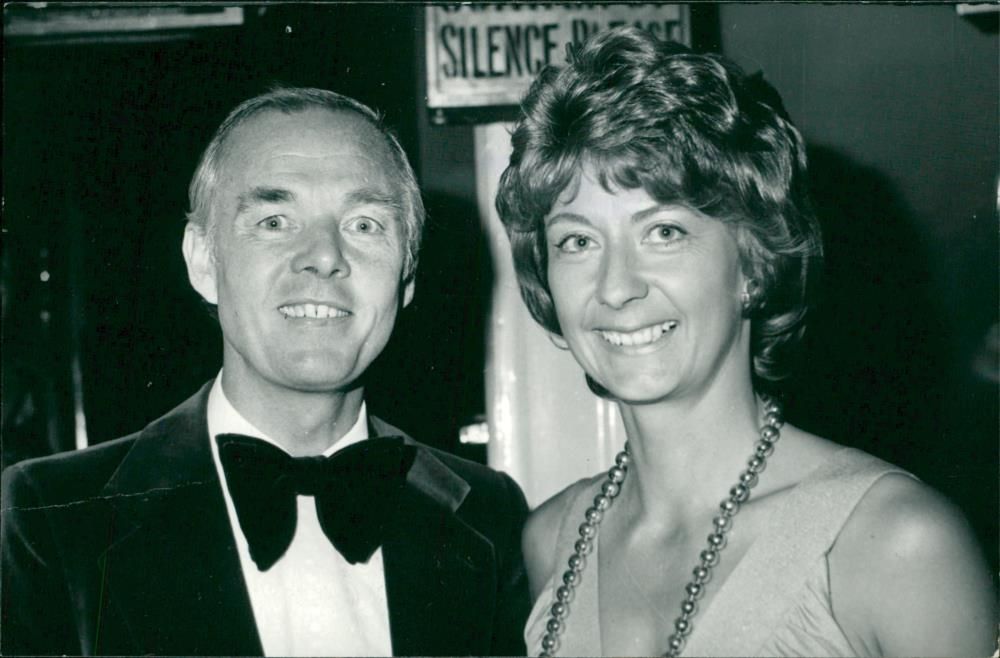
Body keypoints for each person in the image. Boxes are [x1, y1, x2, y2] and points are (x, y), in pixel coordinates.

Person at [495, 27, 997, 658]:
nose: (615, 286)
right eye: (577, 241)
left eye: (665, 232)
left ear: (754, 265)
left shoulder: (896, 542)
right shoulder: (552, 540)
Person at [2, 87, 530, 656]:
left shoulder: (490, 517)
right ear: (204, 262)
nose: (324, 255)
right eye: (275, 220)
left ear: (406, 279)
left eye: (364, 224)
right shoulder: (48, 521)